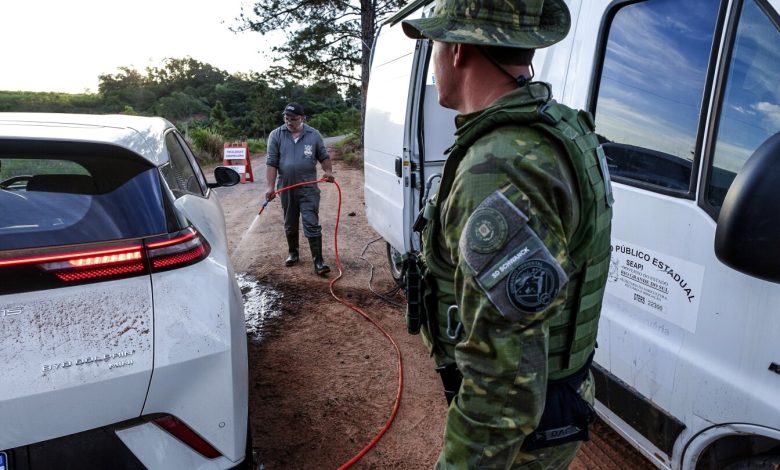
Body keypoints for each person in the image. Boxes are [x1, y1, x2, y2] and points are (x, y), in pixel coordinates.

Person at [401, 0, 614, 467]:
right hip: (554, 405)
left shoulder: (499, 166)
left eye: (435, 44)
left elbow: (503, 384)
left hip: (522, 441)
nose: (435, 62)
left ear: (458, 49)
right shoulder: (555, 126)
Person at [265, 102, 335, 275]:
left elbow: (323, 156)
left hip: (308, 188)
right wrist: (270, 187)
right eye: (286, 118)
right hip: (286, 188)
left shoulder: (313, 135)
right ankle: (293, 252)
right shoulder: (276, 135)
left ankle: (318, 261)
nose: (289, 122)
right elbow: (271, 162)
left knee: (311, 222)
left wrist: (328, 171)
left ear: (302, 118)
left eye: (293, 119)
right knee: (290, 222)